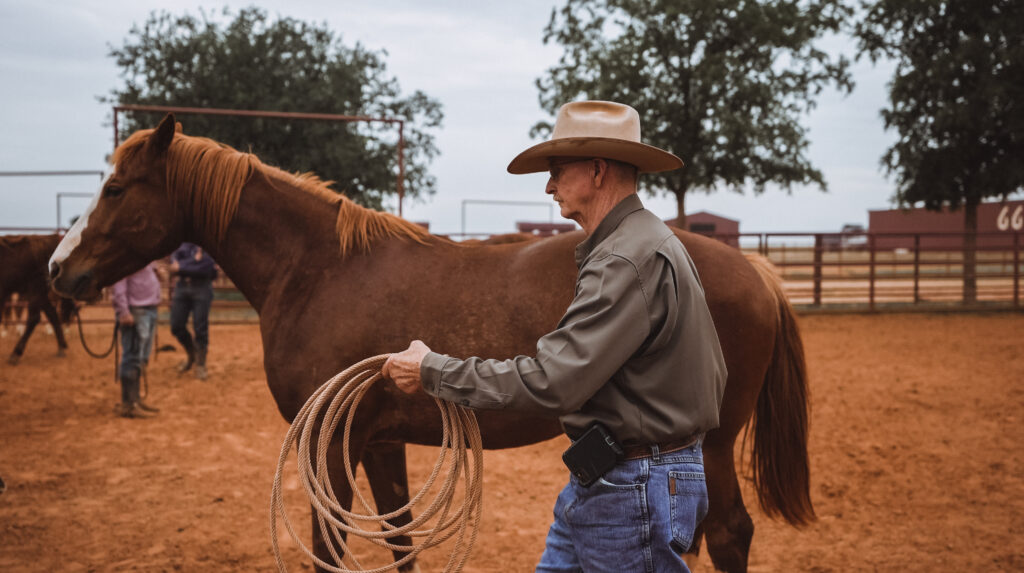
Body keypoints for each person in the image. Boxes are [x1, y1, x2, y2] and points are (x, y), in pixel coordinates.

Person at [384, 101, 727, 572]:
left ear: (598, 170)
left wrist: (432, 370)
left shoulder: (623, 260)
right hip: (617, 476)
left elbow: (553, 381)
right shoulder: (645, 241)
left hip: (632, 487)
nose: (549, 185)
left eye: (557, 170)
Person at [111, 262, 161, 419]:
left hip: (147, 309)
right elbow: (118, 286)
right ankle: (129, 404)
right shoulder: (125, 259)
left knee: (140, 358)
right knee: (132, 356)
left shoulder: (144, 256)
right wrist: (124, 311)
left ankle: (135, 400)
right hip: (136, 311)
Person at [169, 243, 216, 380]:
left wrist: (182, 266)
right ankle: (192, 354)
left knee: (200, 327)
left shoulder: (208, 242)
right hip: (183, 287)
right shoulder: (183, 244)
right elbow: (173, 260)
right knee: (176, 326)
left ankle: (200, 364)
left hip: (202, 287)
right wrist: (194, 262)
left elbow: (206, 266)